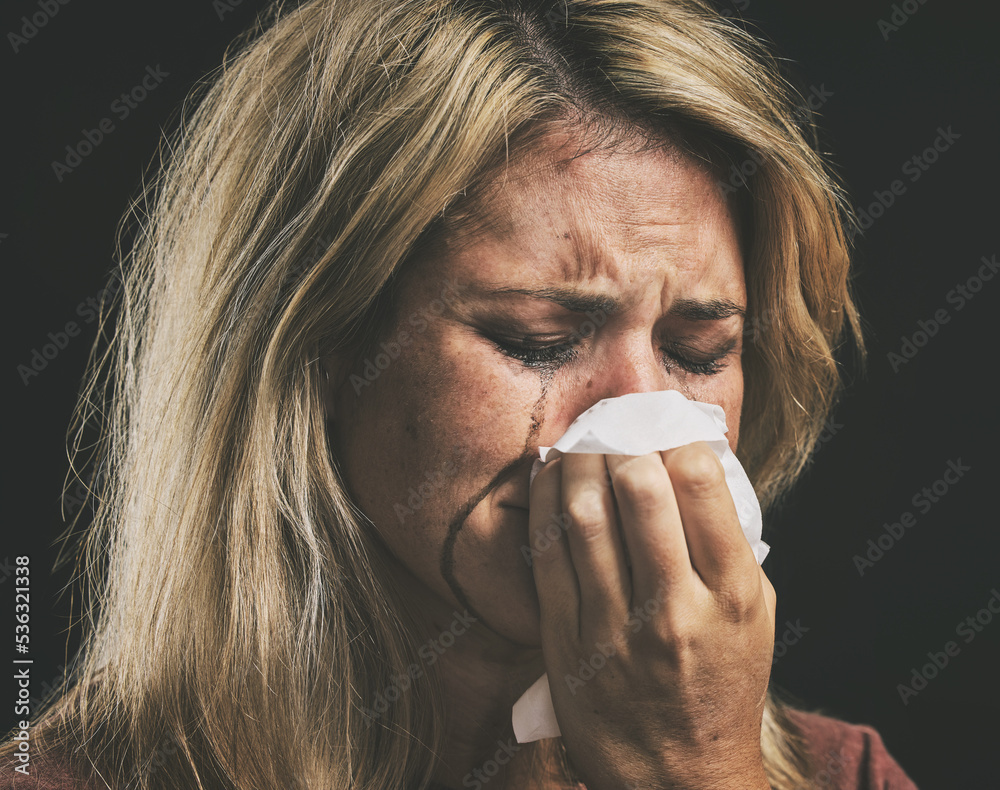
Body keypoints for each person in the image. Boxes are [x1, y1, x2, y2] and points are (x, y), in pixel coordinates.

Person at [3, 0, 919, 787]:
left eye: (698, 349)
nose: (640, 425)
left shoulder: (842, 774)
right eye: (539, 341)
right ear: (318, 355)